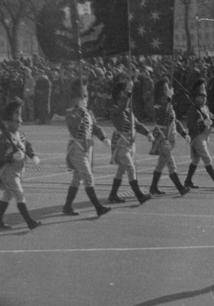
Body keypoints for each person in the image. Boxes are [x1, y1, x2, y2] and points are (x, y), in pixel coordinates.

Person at [62, 79, 112, 217]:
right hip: (77, 148)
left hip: (86, 149)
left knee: (77, 178)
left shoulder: (88, 112)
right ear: (76, 98)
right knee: (88, 177)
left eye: (86, 94)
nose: (87, 97)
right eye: (83, 95)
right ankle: (98, 207)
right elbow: (73, 128)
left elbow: (95, 127)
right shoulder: (71, 112)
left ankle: (67, 207)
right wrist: (79, 110)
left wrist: (103, 137)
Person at [0, 98, 42, 230]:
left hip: (19, 171)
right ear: (9, 120)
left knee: (7, 196)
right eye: (16, 117)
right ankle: (30, 222)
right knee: (19, 195)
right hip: (8, 172)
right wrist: (10, 156)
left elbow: (28, 146)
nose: (20, 121)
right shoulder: (3, 138)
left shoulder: (21, 135)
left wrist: (33, 155)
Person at [107, 81, 154, 205]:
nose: (126, 99)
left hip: (129, 144)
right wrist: (128, 92)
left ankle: (112, 194)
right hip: (120, 143)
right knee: (130, 168)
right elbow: (122, 106)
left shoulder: (128, 110)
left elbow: (137, 125)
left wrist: (147, 133)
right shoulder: (115, 109)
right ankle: (139, 195)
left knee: (121, 170)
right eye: (122, 96)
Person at [148, 78, 191, 196]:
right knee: (171, 163)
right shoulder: (158, 103)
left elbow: (174, 121)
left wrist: (184, 134)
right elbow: (162, 112)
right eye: (165, 88)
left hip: (170, 138)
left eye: (168, 88)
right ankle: (180, 188)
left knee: (161, 163)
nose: (167, 90)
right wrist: (168, 99)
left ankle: (153, 187)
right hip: (162, 138)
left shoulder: (168, 103)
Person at [184, 79, 214, 189]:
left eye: (205, 97)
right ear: (196, 98)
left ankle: (188, 181)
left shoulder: (205, 108)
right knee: (207, 158)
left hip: (205, 137)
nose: (204, 99)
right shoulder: (192, 109)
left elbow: (212, 118)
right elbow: (190, 125)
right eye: (201, 97)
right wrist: (201, 124)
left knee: (195, 160)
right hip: (197, 137)